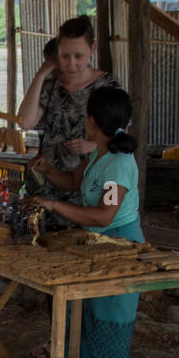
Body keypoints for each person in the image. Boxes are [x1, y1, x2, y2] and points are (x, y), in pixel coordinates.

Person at [28, 86, 143, 358]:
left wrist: (55, 206)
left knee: (109, 326)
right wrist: (49, 171)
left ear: (90, 120)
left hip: (121, 250)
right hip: (98, 247)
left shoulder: (118, 163)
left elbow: (105, 215)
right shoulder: (98, 155)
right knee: (85, 319)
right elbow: (74, 182)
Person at [18, 16, 119, 216]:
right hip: (46, 187)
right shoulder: (50, 85)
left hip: (88, 190)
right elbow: (24, 122)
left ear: (92, 49)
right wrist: (40, 75)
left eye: (78, 56)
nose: (71, 64)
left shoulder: (107, 86)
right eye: (65, 56)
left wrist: (95, 146)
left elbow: (123, 135)